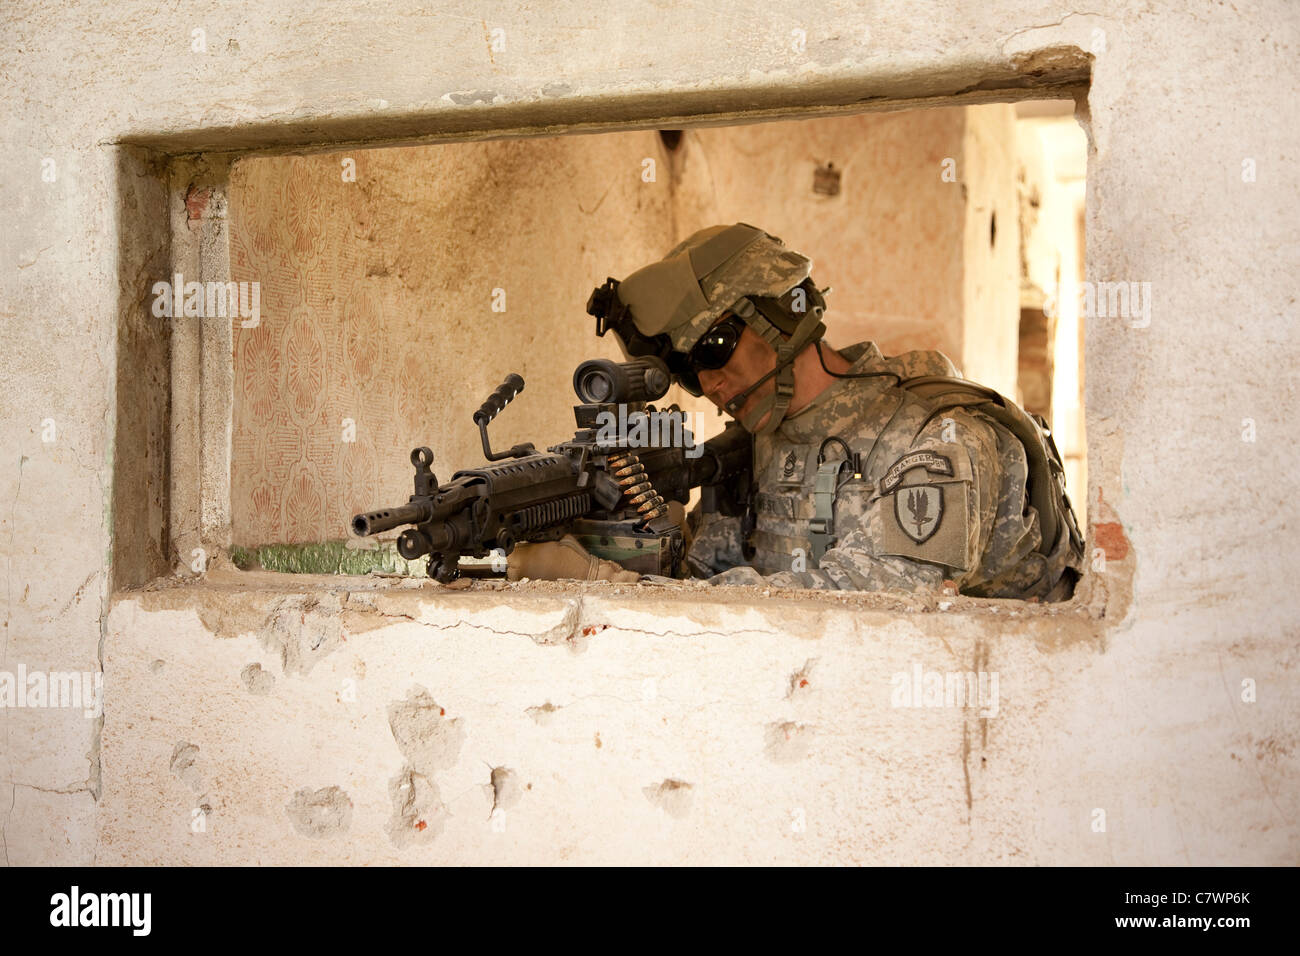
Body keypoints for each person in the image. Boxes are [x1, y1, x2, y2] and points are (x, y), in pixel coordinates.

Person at [517, 222, 1085, 600]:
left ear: (780, 317)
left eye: (714, 349)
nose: (710, 382)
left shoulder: (941, 436)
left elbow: (875, 608)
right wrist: (618, 542)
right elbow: (706, 574)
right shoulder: (759, 443)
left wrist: (610, 586)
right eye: (690, 371)